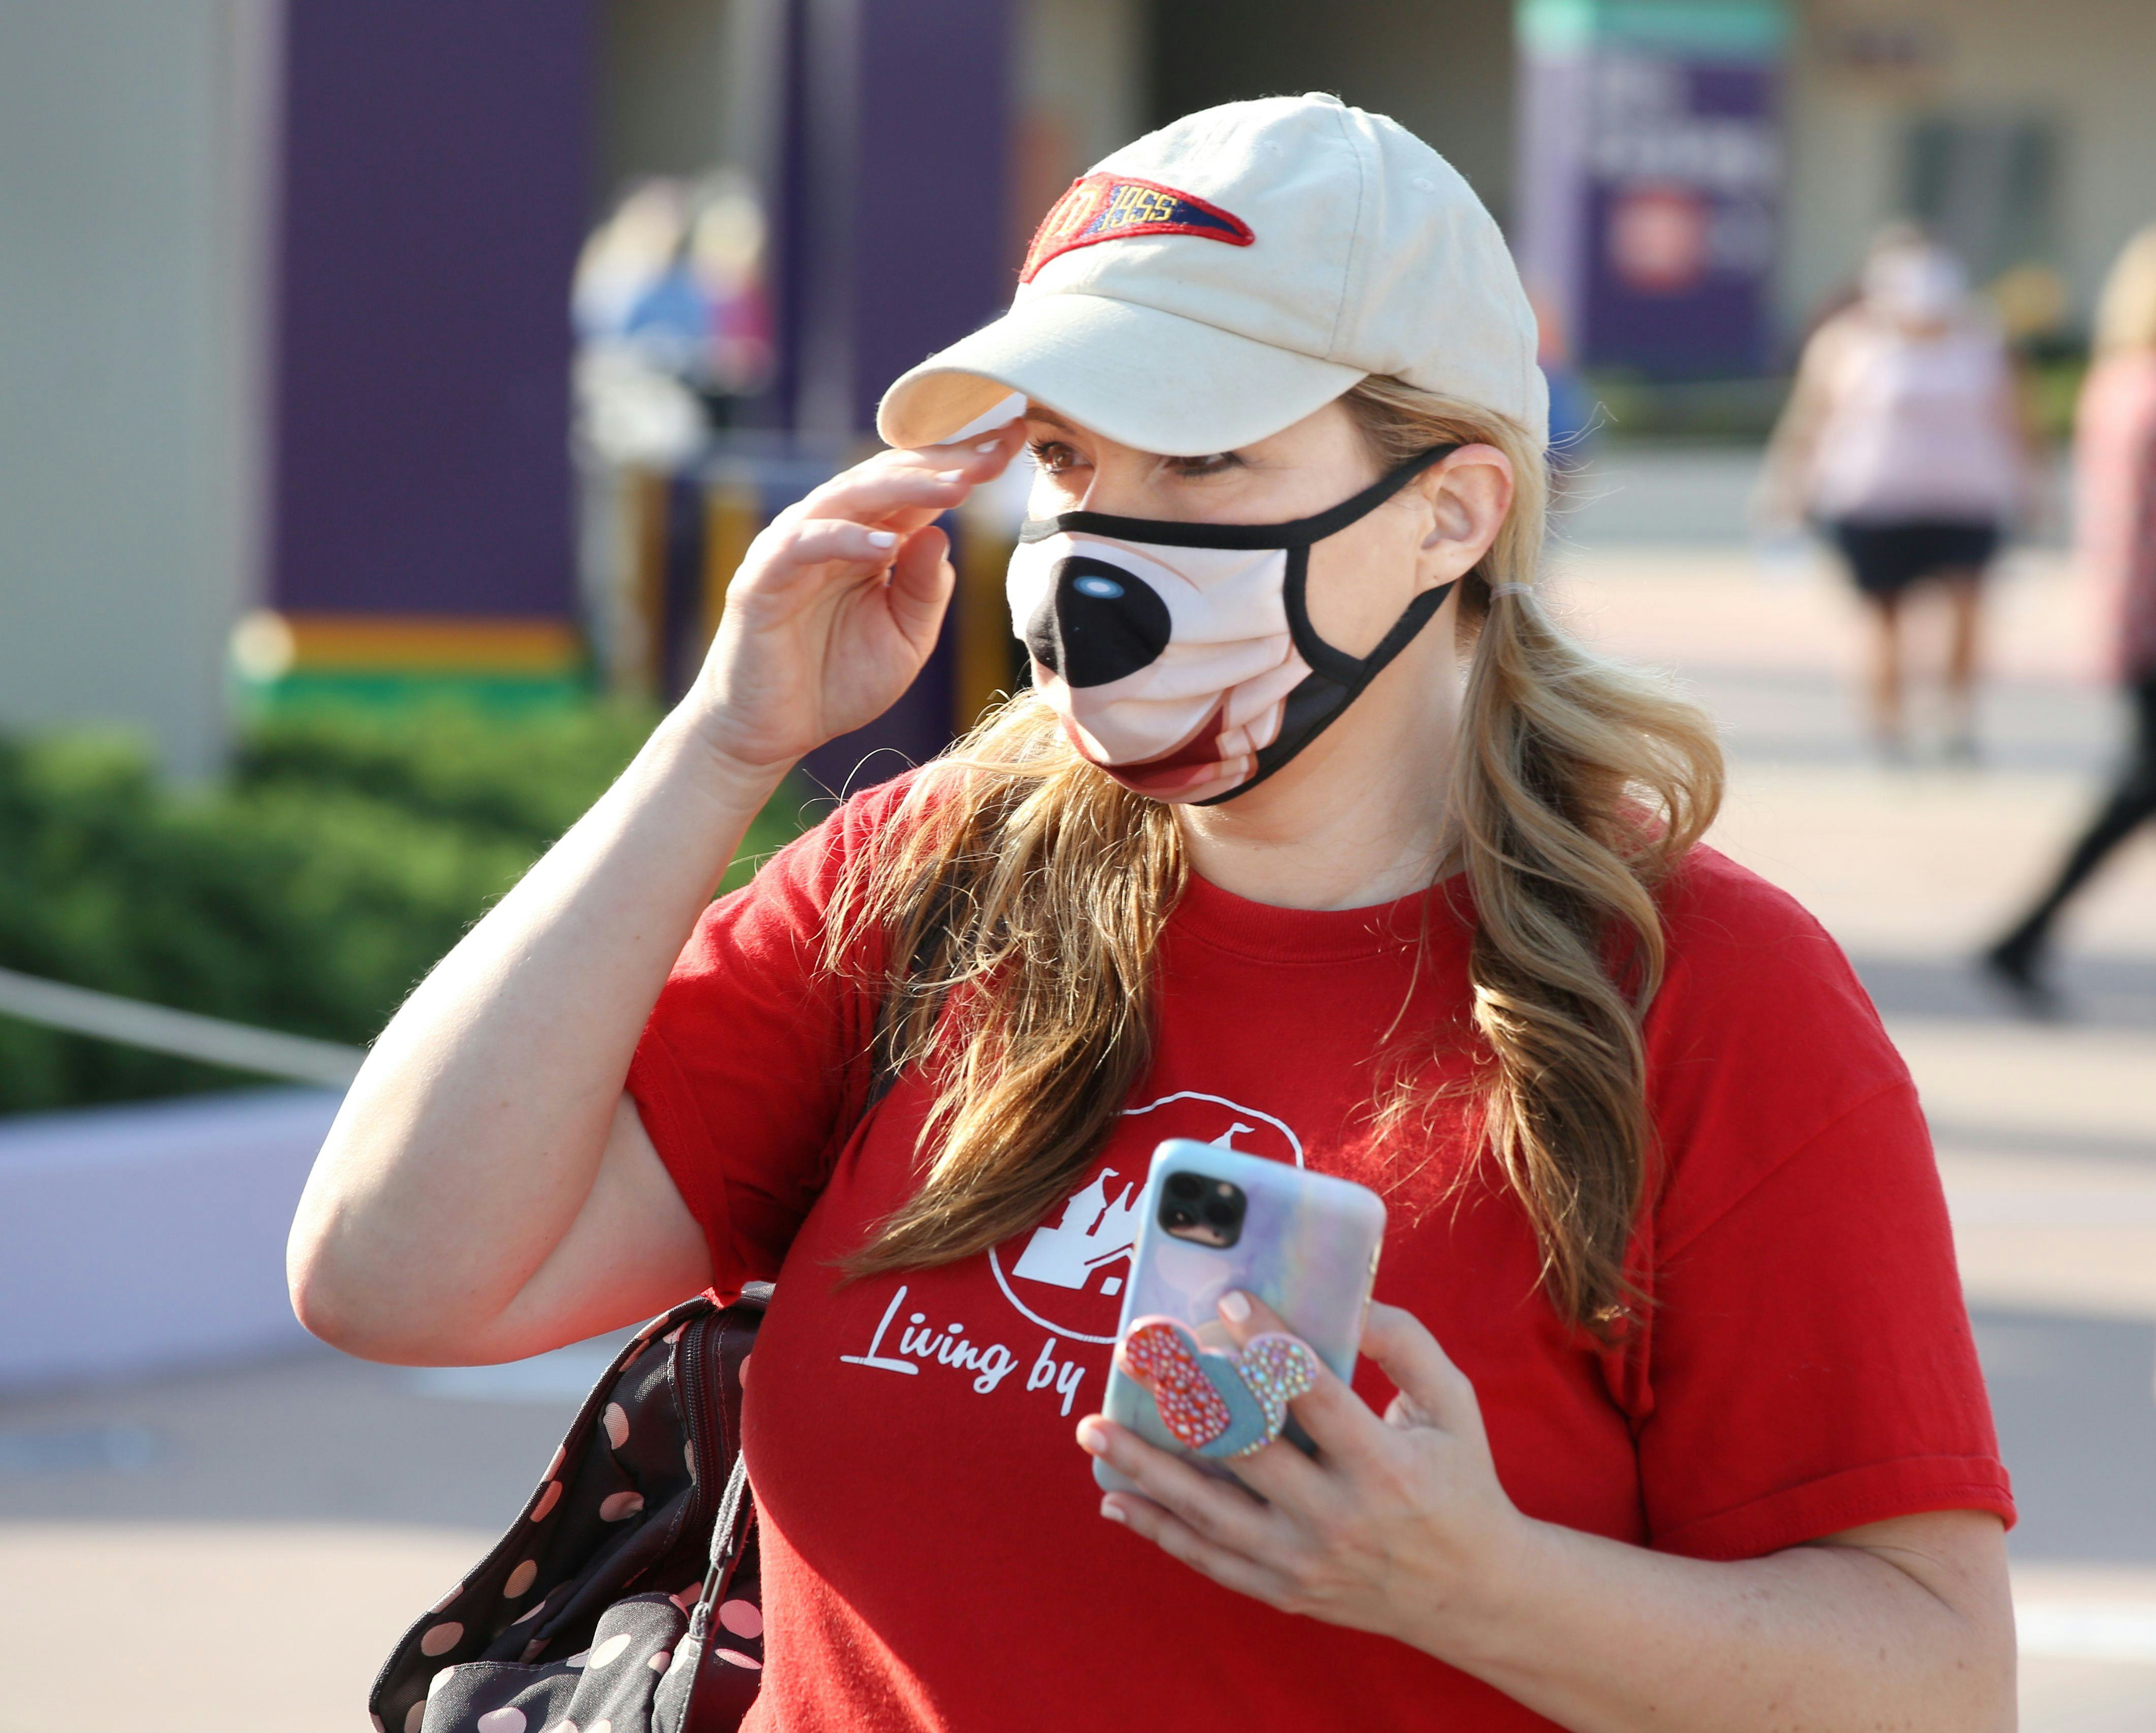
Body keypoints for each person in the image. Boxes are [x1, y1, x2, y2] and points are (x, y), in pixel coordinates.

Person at [289, 97, 2015, 1732]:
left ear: (1448, 512)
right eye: (1066, 459)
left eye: (1199, 461)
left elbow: (1933, 1681)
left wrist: (1479, 1588)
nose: (1098, 542)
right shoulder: (932, 880)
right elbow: (395, 1272)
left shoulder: (1698, 989)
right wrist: (724, 740)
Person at [1760, 232, 2036, 762]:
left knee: (1968, 607)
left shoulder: (1983, 340)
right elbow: (1811, 420)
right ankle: (1889, 725)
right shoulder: (1848, 341)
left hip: (1965, 499)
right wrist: (1787, 489)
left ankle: (1956, 716)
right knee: (1884, 618)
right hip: (1874, 500)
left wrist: (2032, 486)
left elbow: (2016, 420)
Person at [1986, 223, 2156, 1007]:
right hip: (2149, 628)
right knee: (2134, 791)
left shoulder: (2120, 380)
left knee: (2134, 792)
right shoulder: (2143, 389)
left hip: (2136, 625)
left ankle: (2024, 935)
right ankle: (2023, 935)